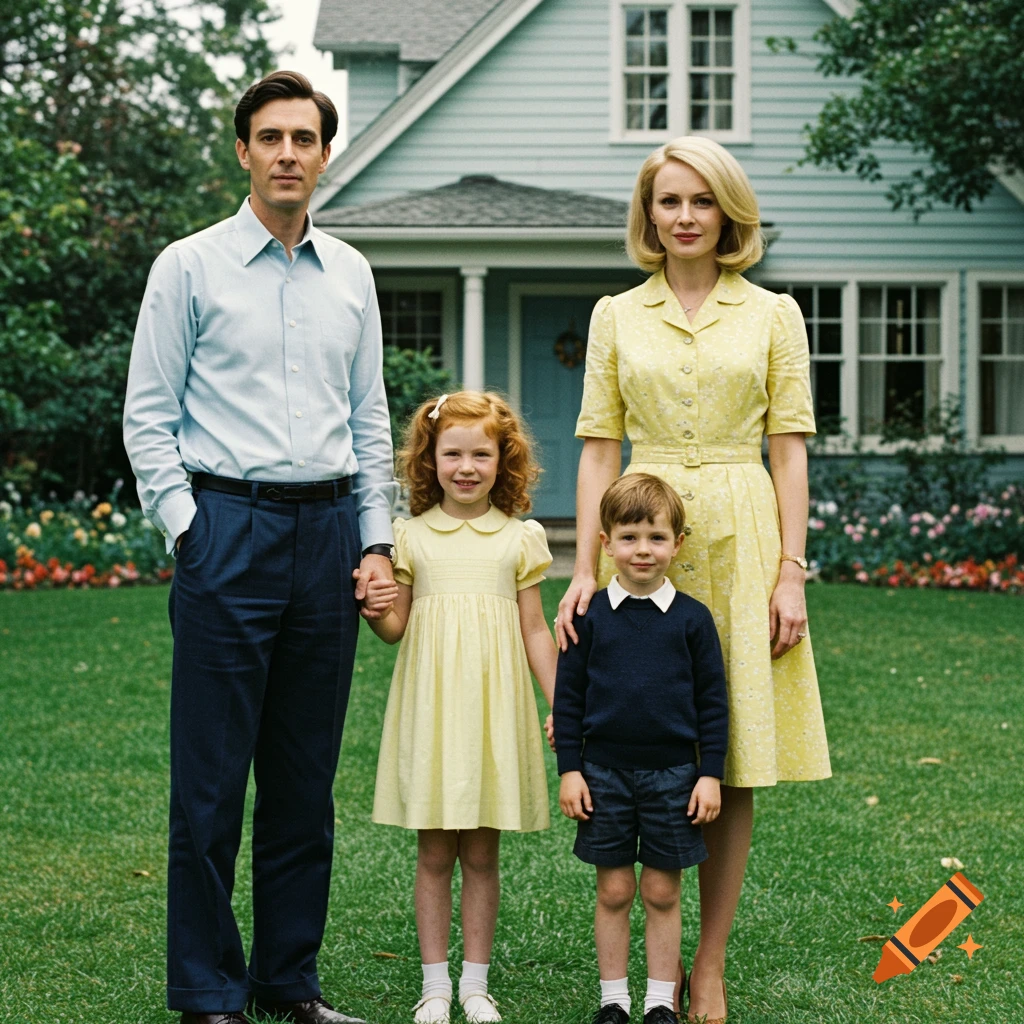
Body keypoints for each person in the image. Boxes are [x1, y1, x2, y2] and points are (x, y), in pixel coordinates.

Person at [123, 71, 397, 1024]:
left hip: (326, 538)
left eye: (305, 138)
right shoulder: (187, 267)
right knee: (209, 783)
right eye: (270, 137)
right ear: (243, 150)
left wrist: (377, 545)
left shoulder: (353, 273)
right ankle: (207, 991)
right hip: (225, 529)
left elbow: (370, 422)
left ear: (327, 154)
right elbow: (148, 418)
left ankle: (290, 984)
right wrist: (190, 527)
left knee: (302, 783)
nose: (288, 153)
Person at [555, 136, 831, 1024]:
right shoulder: (614, 315)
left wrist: (791, 571)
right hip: (646, 519)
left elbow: (788, 452)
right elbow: (600, 446)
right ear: (649, 215)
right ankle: (636, 975)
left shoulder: (774, 313)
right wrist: (584, 569)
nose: (683, 217)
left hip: (745, 530)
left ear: (728, 213)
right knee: (641, 732)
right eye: (668, 201)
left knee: (735, 749)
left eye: (701, 201)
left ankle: (704, 967)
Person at [360, 391, 558, 1024]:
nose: (466, 467)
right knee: (434, 853)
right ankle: (435, 986)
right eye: (453, 454)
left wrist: (566, 706)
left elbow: (534, 630)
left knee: (481, 853)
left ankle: (476, 984)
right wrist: (375, 607)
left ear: (505, 462)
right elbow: (396, 627)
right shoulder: (408, 537)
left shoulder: (519, 539)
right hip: (433, 711)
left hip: (494, 713)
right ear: (430, 461)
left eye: (482, 454)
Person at [554, 473, 729, 1024]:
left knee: (660, 890)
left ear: (678, 543)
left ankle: (659, 1001)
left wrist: (710, 774)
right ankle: (614, 1000)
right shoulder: (590, 616)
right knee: (613, 890)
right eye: (629, 537)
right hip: (603, 775)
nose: (643, 550)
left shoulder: (693, 620)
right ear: (605, 543)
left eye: (656, 537)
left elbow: (713, 704)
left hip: (674, 777)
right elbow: (568, 701)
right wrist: (570, 771)